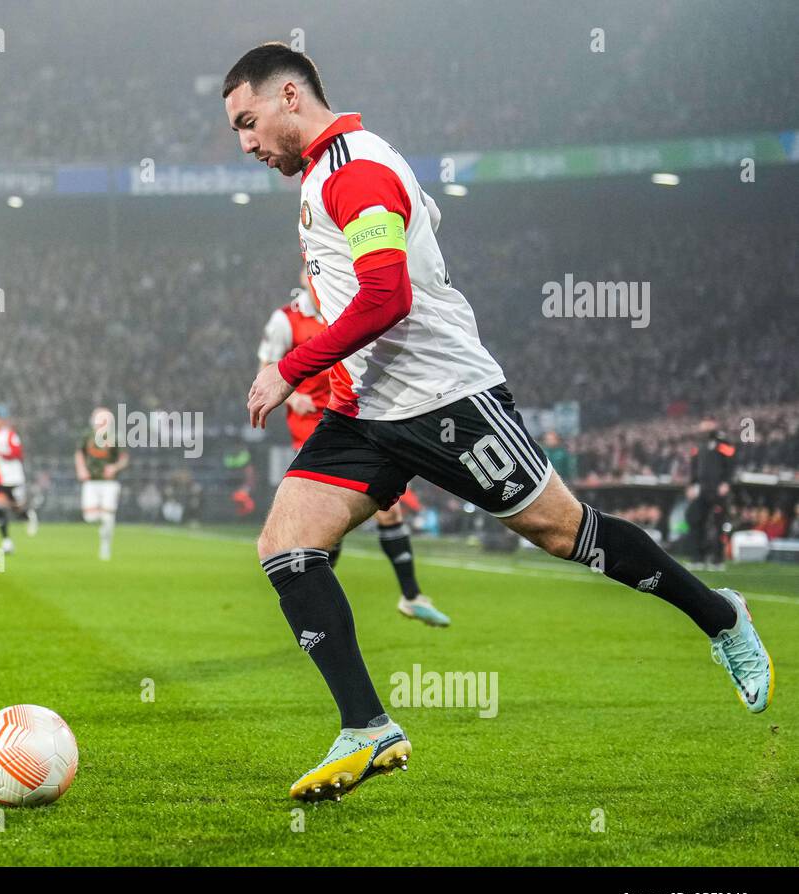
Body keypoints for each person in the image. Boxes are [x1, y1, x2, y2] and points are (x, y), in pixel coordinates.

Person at [222, 43, 773, 802]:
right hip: (366, 407)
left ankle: (720, 616)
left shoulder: (357, 169)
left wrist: (290, 368)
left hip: (447, 399)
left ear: (289, 95)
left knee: (566, 534)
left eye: (247, 122)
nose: (246, 143)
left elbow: (387, 298)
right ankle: (367, 727)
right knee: (285, 545)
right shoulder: (327, 170)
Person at [260, 269, 451, 626]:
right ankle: (315, 602)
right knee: (328, 519)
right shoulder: (286, 320)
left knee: (385, 511)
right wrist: (295, 396)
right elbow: (267, 366)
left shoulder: (344, 309)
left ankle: (410, 596)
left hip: (353, 418)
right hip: (312, 428)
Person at [0, 404, 37, 554]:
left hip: (12, 478)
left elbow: (18, 454)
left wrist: (0, 453)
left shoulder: (9, 435)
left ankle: (27, 515)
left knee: (16, 507)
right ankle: (6, 541)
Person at [76, 406, 129, 560]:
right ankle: (104, 525)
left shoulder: (116, 437)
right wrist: (81, 469)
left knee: (108, 516)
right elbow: (79, 453)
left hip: (109, 483)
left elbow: (124, 459)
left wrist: (114, 467)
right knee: (90, 517)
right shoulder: (87, 435)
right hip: (91, 481)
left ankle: (105, 546)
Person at [687, 419, 735, 570]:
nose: (705, 427)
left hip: (717, 489)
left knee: (718, 524)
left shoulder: (723, 444)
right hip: (701, 489)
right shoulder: (698, 445)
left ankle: (717, 560)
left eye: (708, 424)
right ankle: (698, 558)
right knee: (696, 522)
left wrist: (726, 482)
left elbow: (731, 464)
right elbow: (694, 467)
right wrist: (692, 484)